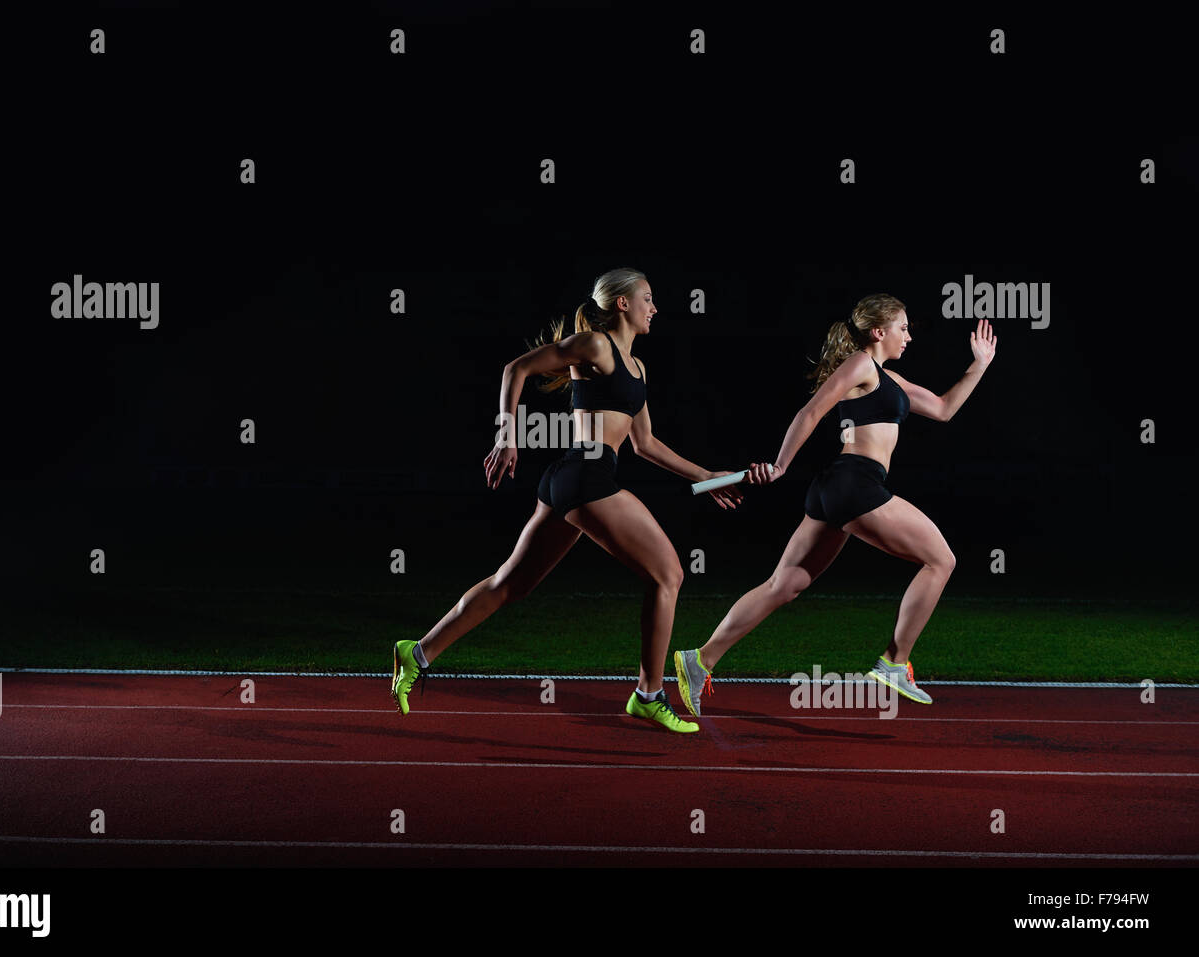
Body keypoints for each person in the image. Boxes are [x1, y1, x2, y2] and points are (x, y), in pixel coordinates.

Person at [391, 267, 745, 733]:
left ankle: (415, 652)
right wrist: (507, 436)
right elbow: (515, 368)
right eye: (648, 299)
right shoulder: (594, 346)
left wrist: (707, 477)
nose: (655, 308)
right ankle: (649, 694)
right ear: (622, 304)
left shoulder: (637, 368)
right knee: (669, 574)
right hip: (585, 475)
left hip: (576, 479)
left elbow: (645, 444)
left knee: (510, 585)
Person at [673, 294, 997, 715]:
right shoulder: (861, 364)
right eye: (903, 328)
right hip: (855, 483)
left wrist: (980, 364)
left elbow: (942, 408)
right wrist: (782, 464)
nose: (909, 337)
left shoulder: (888, 379)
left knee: (784, 585)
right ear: (879, 332)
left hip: (838, 489)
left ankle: (700, 660)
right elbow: (811, 412)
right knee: (941, 560)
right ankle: (894, 663)